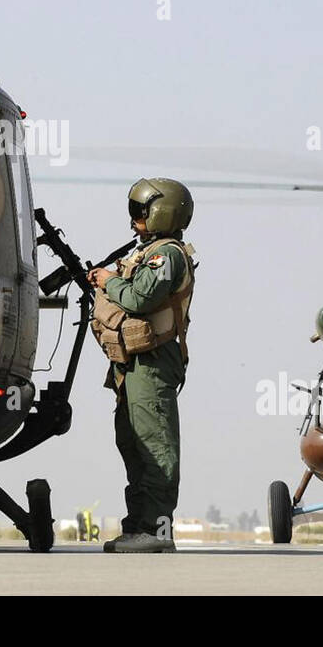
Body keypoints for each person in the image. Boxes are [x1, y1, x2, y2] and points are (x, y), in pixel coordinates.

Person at [86, 177, 196, 554]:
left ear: (162, 213)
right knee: (133, 444)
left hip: (152, 363)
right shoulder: (146, 252)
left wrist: (108, 280)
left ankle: (157, 529)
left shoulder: (168, 255)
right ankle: (139, 527)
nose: (135, 216)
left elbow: (139, 297)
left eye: (142, 210)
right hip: (131, 364)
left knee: (155, 444)